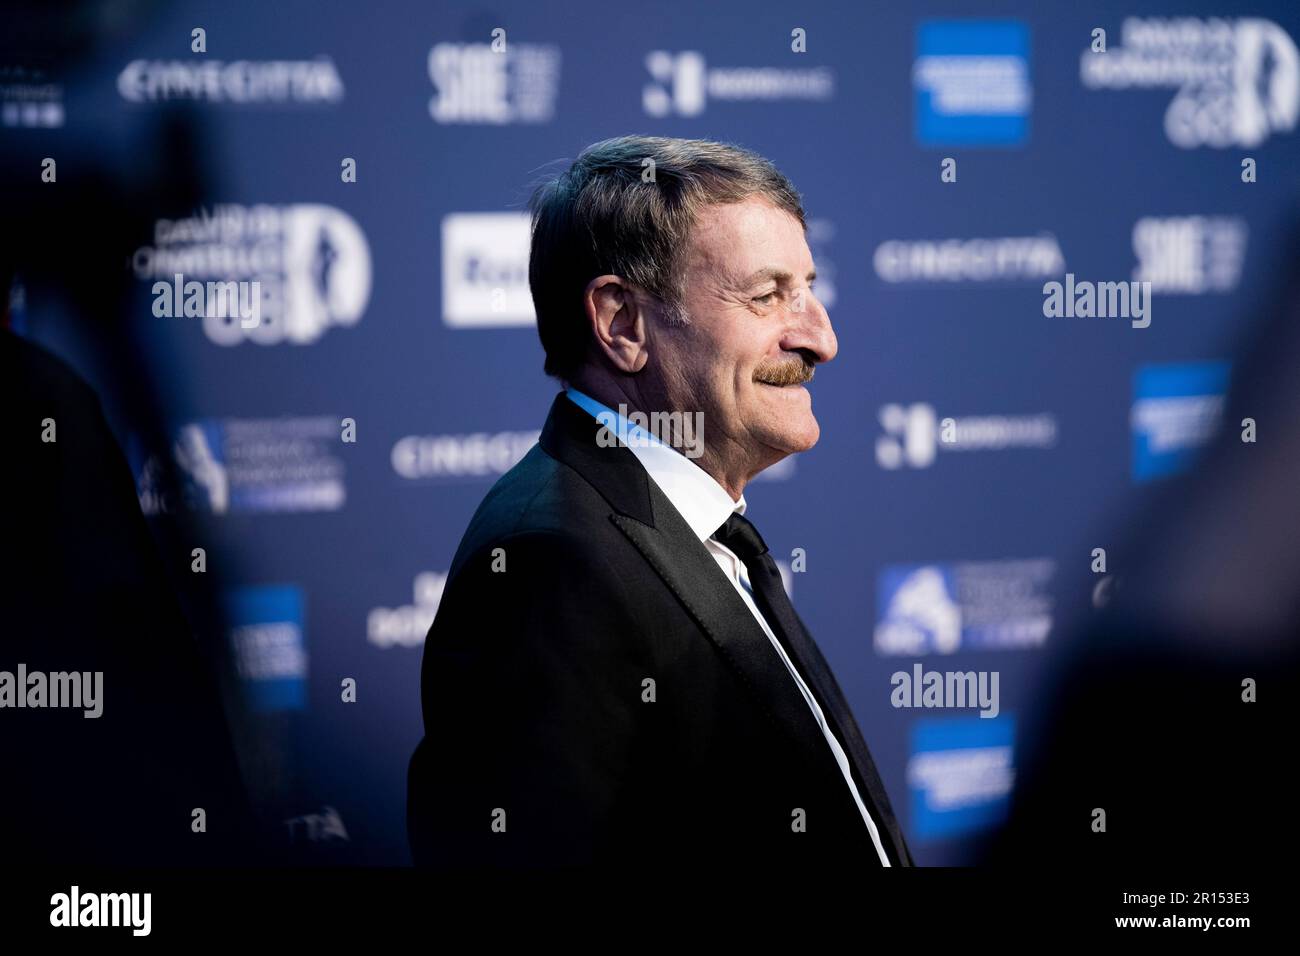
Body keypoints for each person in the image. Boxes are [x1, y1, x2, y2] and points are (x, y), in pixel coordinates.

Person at [407, 135, 912, 871]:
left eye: (808, 288)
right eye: (768, 295)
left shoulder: (697, 525)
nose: (820, 337)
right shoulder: (550, 565)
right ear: (622, 324)